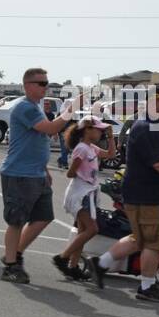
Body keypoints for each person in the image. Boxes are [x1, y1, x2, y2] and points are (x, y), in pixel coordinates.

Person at [87, 92, 159, 303]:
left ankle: (100, 264)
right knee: (153, 243)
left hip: (138, 193)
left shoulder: (157, 124)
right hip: (148, 196)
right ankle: (147, 287)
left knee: (138, 238)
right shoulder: (148, 128)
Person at [0, 68, 74, 283]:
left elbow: (36, 141)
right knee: (16, 221)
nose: (45, 87)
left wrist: (45, 169)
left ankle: (14, 254)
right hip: (19, 174)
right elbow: (49, 129)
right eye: (41, 83)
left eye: (46, 83)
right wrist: (70, 111)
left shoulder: (35, 106)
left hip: (36, 173)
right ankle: (11, 265)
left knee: (43, 217)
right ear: (27, 85)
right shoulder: (24, 107)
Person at [53, 117, 115, 279]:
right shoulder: (81, 149)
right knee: (92, 229)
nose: (101, 132)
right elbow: (70, 173)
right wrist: (85, 174)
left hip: (88, 193)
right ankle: (62, 258)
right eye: (98, 129)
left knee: (83, 231)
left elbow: (110, 154)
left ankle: (73, 267)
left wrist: (111, 137)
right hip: (80, 194)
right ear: (87, 130)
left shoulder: (91, 148)